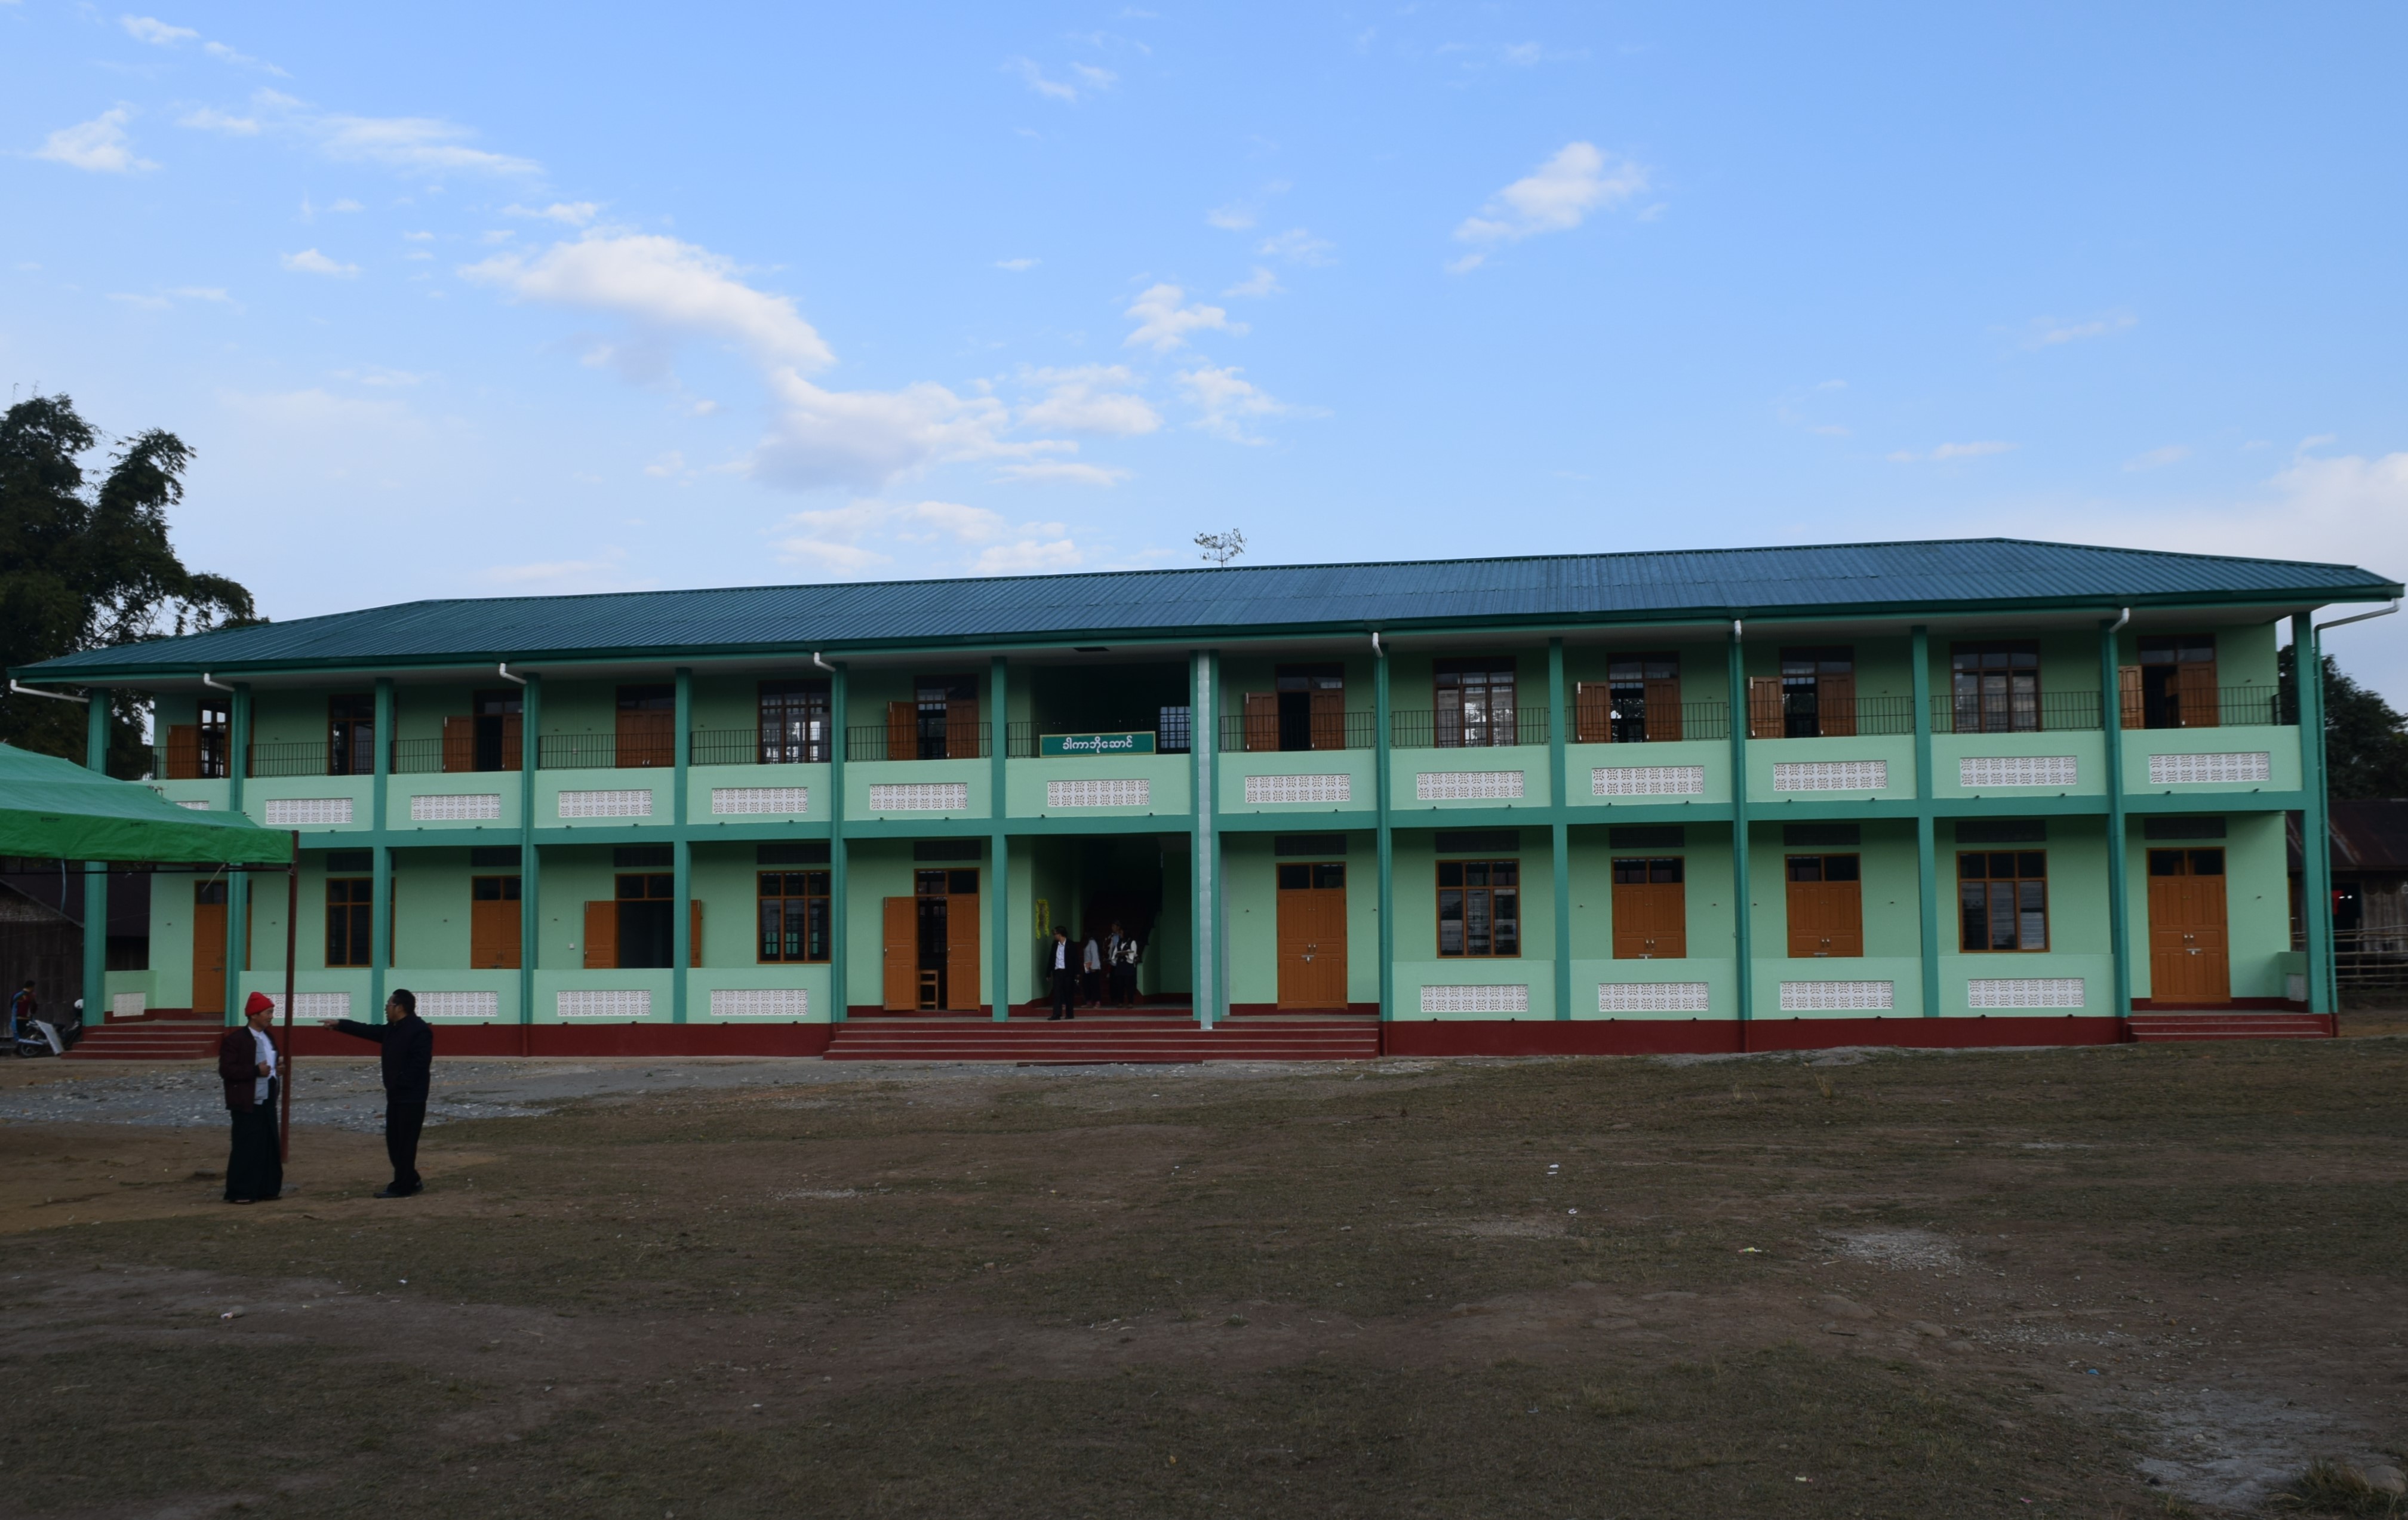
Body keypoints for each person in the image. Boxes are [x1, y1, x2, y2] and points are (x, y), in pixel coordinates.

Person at [324, 987, 433, 1198]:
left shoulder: (419, 1030)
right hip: (395, 1095)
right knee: (394, 1142)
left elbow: (420, 1063)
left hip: (412, 1097)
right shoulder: (393, 1028)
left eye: (389, 1005)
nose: (386, 1008)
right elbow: (368, 1031)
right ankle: (412, 1180)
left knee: (405, 1144)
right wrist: (340, 1024)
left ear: (399, 1007)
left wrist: (402, 1082)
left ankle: (402, 1187)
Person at [217, 991, 282, 1204]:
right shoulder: (235, 1040)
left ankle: (267, 1188)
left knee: (268, 1145)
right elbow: (227, 1070)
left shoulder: (268, 1038)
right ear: (254, 1015)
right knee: (246, 1148)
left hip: (267, 1101)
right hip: (246, 1103)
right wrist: (255, 1071)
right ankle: (241, 1192)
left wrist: (277, 1071)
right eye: (268, 1012)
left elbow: (269, 1067)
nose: (271, 1016)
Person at [1047, 927, 1076, 1020]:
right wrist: (1048, 973)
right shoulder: (1055, 945)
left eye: (1055, 934)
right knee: (1057, 994)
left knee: (1068, 993)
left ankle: (1070, 1014)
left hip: (1067, 972)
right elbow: (1051, 959)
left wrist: (1077, 973)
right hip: (1057, 972)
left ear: (1060, 934)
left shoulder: (1071, 944)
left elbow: (1075, 959)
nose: (1054, 936)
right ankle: (1056, 1014)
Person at [1112, 930, 1140, 1007]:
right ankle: (1120, 1002)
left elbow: (1133, 953)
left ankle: (1130, 1002)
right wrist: (1117, 955)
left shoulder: (1132, 942)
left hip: (1128, 966)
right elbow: (1115, 953)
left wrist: (1126, 954)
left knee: (1129, 985)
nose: (1120, 934)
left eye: (1121, 933)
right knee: (1120, 985)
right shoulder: (1119, 942)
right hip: (1120, 966)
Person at [1081, 930, 1103, 1007]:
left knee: (1094, 985)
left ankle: (1097, 1001)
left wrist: (1094, 967)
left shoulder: (1092, 942)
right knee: (1086, 984)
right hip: (1087, 966)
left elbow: (1095, 955)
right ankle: (1088, 1001)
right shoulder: (1087, 943)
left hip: (1093, 967)